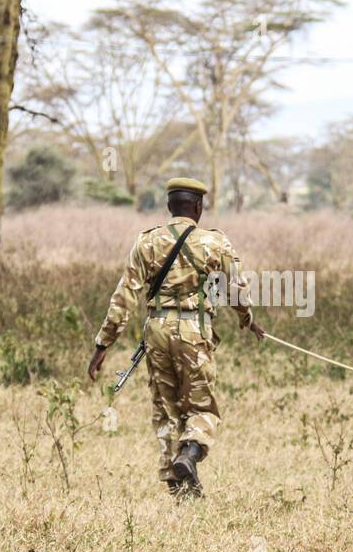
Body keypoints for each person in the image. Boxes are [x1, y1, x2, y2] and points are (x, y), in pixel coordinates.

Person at [88, 177, 264, 497]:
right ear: (198, 207)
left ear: (170, 207)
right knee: (201, 407)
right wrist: (247, 319)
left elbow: (124, 295)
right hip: (194, 330)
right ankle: (189, 454)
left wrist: (103, 343)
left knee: (167, 411)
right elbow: (237, 291)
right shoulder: (215, 243)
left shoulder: (146, 242)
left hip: (156, 331)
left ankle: (180, 488)